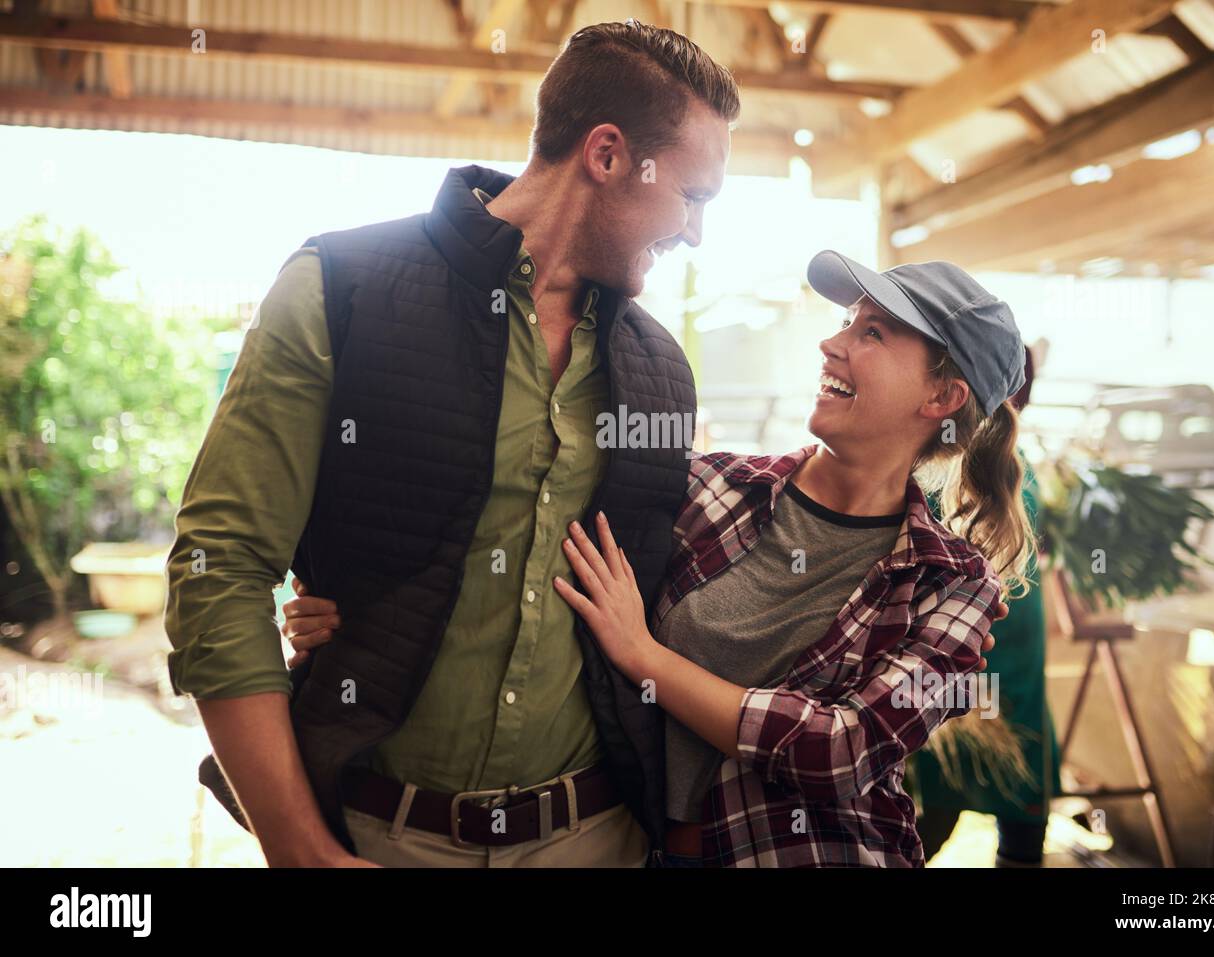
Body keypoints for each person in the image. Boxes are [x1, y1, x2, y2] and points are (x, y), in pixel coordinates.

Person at [164, 20, 739, 868]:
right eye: (692, 197)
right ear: (608, 155)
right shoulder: (339, 289)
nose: (694, 232)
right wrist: (297, 846)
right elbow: (220, 564)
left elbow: (693, 576)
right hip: (381, 837)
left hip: (596, 835)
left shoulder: (661, 369)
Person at [288, 250, 1024, 866]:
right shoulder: (707, 488)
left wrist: (645, 656)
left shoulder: (953, 584)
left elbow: (841, 750)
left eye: (874, 332)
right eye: (844, 323)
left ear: (943, 396)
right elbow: (519, 543)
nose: (834, 344)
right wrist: (359, 608)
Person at [909, 345, 1063, 866]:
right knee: (1016, 819)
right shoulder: (1026, 476)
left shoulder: (931, 474)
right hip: (995, 664)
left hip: (967, 666)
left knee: (926, 818)